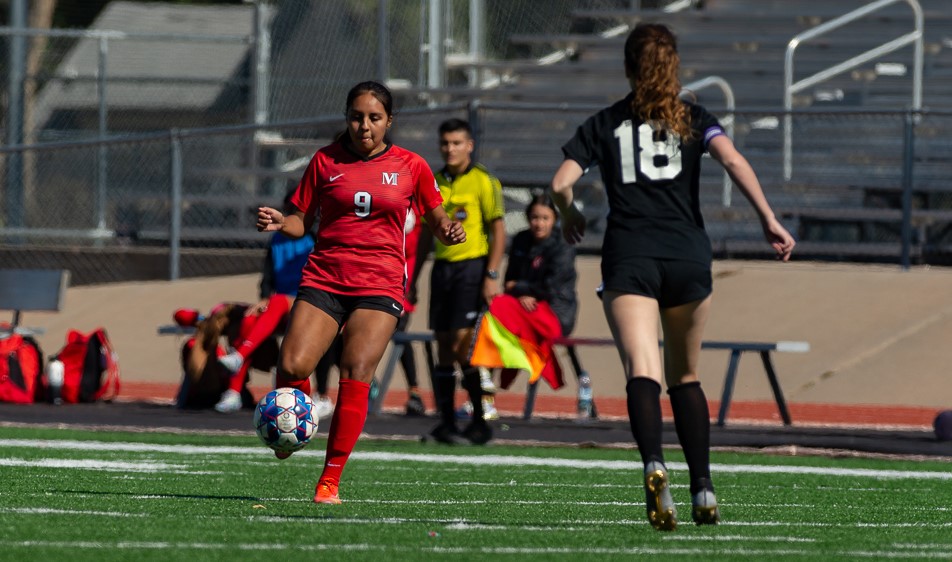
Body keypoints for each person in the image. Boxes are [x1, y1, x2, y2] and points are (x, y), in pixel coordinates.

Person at [549, 23, 795, 531]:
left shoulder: (605, 122)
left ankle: (654, 464)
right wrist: (768, 218)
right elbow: (732, 158)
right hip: (687, 255)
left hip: (631, 255)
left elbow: (560, 183)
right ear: (674, 67)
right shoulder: (695, 118)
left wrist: (569, 215)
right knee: (686, 375)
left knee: (644, 368)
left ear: (627, 67)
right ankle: (703, 485)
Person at [254, 80, 465, 505]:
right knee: (293, 362)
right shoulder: (325, 161)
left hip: (381, 283)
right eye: (356, 116)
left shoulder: (411, 165)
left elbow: (435, 215)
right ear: (346, 118)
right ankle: (291, 424)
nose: (364, 126)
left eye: (373, 118)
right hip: (324, 277)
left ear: (389, 121)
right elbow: (301, 219)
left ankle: (329, 481)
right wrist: (282, 222)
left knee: (355, 369)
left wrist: (448, 228)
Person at [428, 118, 506, 445]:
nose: (450, 149)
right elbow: (423, 233)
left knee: (463, 346)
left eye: (457, 143)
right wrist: (413, 276)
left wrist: (490, 275)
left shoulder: (484, 181)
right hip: (442, 270)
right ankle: (447, 425)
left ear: (469, 145)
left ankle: (480, 422)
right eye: (445, 143)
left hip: (471, 270)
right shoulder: (433, 181)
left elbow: (498, 231)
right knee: (443, 346)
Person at [214, 227, 336, 420]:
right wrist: (264, 298)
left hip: (310, 302)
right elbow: (268, 275)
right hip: (281, 306)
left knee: (278, 301)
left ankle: (240, 355)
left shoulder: (318, 235)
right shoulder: (277, 239)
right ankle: (234, 393)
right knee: (249, 318)